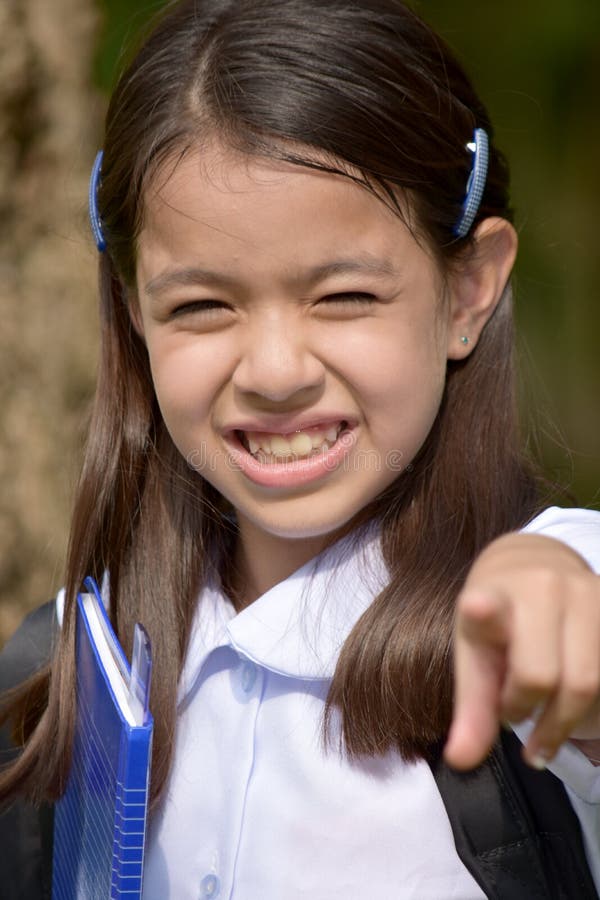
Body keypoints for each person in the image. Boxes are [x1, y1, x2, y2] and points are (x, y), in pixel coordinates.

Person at [1, 0, 599, 897]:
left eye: (345, 297)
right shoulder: (65, 665)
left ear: (469, 289)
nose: (275, 372)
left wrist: (563, 598)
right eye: (201, 306)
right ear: (133, 313)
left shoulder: (546, 607)